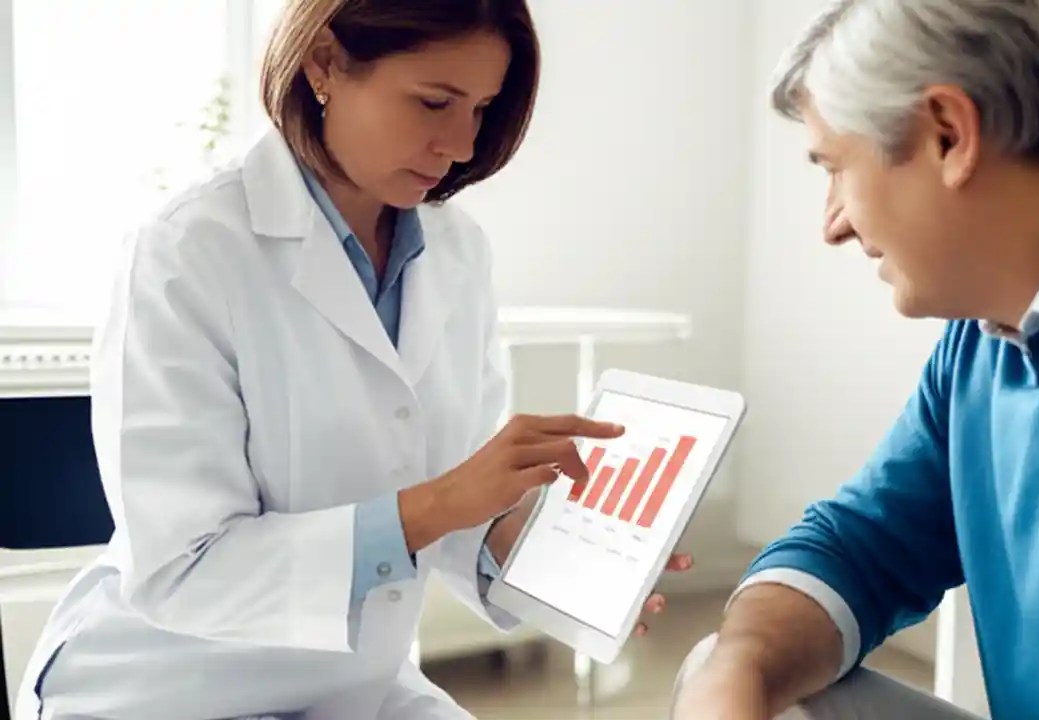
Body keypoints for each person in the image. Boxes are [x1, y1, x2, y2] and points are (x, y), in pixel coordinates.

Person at [16, 2, 689, 718]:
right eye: (434, 102)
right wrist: (440, 504)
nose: (460, 146)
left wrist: (545, 556)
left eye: (483, 108)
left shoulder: (458, 254)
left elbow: (450, 499)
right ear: (325, 63)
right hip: (166, 687)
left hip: (354, 685)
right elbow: (185, 570)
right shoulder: (188, 251)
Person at [671, 0, 1039, 718]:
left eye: (837, 169)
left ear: (948, 135)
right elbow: (861, 545)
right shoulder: (988, 334)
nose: (831, 223)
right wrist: (739, 668)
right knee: (728, 668)